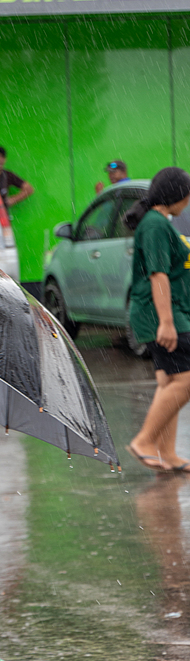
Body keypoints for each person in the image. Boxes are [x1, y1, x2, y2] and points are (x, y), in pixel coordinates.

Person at [126, 167, 190, 473]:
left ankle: (167, 453)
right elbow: (158, 274)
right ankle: (145, 441)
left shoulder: (158, 223)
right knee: (186, 380)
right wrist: (166, 322)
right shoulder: (154, 225)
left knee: (170, 380)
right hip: (160, 314)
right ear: (178, 195)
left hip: (165, 311)